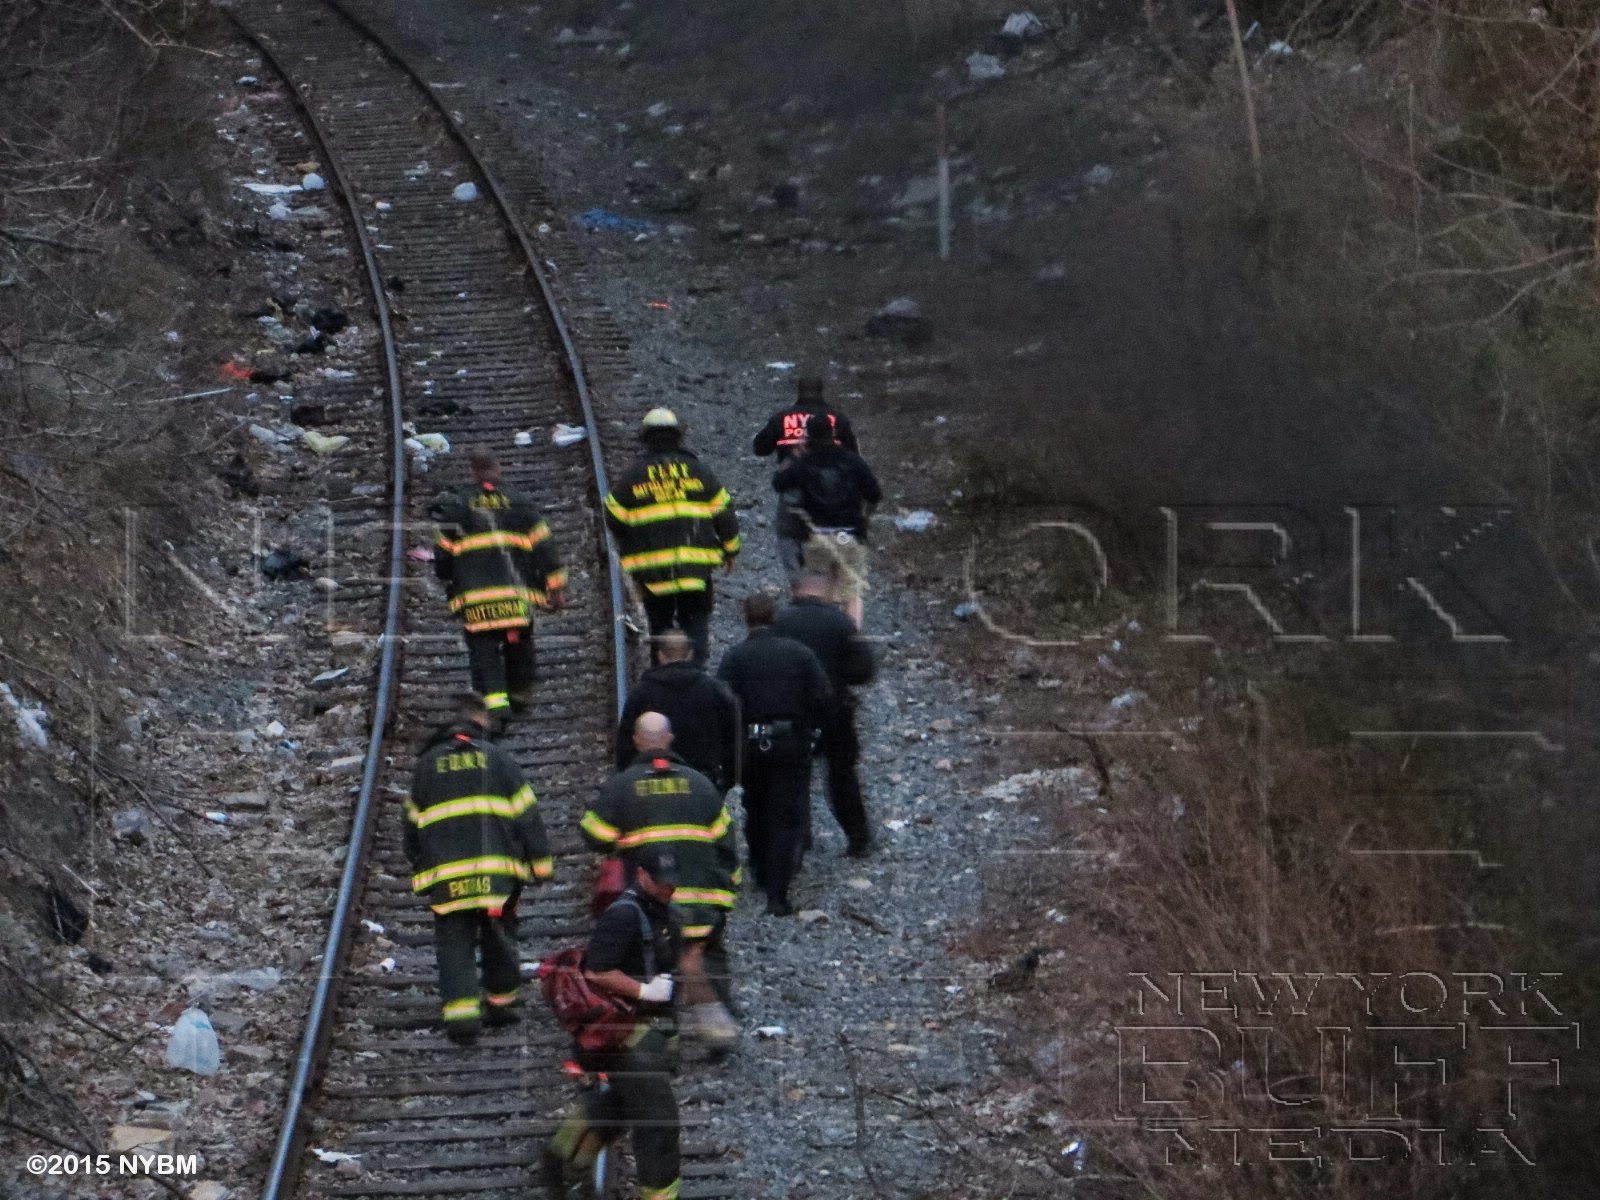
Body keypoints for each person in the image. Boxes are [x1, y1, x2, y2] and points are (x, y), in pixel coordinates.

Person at [403, 692, 554, 1044]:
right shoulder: (499, 760)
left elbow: (411, 826)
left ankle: (462, 1019)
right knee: (499, 938)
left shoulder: (426, 766)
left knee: (453, 942)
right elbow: (528, 817)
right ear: (481, 719)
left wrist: (420, 863)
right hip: (497, 876)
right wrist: (541, 867)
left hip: (447, 877)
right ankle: (501, 1006)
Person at [584, 711, 740, 1049]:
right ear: (669, 739)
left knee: (653, 962)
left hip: (656, 903)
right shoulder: (700, 784)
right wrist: (730, 887)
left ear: (638, 741)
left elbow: (594, 833)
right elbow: (726, 842)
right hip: (704, 901)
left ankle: (663, 1041)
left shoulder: (622, 785)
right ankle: (721, 1031)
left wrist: (624, 841)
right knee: (709, 955)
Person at [542, 847, 684, 1200]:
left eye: (674, 884)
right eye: (664, 884)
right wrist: (645, 991)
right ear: (643, 877)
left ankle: (560, 1157)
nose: (671, 890)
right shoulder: (623, 916)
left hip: (648, 1032)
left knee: (621, 1105)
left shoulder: (662, 911)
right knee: (658, 1121)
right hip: (627, 1035)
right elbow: (598, 970)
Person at [431, 451, 566, 728]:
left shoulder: (457, 506)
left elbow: (442, 556)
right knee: (518, 644)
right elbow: (546, 550)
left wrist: (448, 577)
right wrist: (555, 588)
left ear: (473, 471)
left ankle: (496, 707)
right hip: (516, 598)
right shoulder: (521, 503)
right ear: (498, 468)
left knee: (484, 651)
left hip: (476, 599)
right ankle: (518, 699)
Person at [717, 593, 832, 917]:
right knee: (785, 816)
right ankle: (778, 895)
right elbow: (823, 695)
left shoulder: (736, 657)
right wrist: (810, 730)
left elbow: (723, 701)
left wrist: (730, 745)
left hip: (752, 744)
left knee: (755, 808)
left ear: (746, 619)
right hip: (790, 742)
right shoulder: (799, 654)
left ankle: (760, 870)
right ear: (774, 618)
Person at [604, 408, 739, 667]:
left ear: (645, 438)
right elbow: (725, 514)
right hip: (695, 569)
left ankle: (662, 672)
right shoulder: (698, 470)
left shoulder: (633, 476)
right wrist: (731, 551)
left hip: (652, 572)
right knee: (696, 620)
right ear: (678, 437)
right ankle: (696, 672)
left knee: (659, 623)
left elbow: (613, 518)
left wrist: (633, 541)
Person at [773, 569, 878, 857]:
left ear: (795, 590)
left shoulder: (778, 623)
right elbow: (864, 670)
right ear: (827, 592)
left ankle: (799, 839)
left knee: (794, 777)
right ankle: (858, 839)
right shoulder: (841, 622)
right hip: (835, 712)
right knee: (842, 776)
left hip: (790, 713)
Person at [772, 415, 882, 628]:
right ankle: (851, 640)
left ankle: (823, 638)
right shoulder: (852, 461)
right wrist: (865, 518)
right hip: (850, 534)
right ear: (832, 434)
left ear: (808, 436)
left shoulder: (805, 463)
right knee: (853, 592)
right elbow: (875, 494)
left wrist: (795, 456)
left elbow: (778, 483)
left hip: (817, 536)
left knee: (819, 593)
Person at [751, 375, 858, 574]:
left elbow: (760, 448)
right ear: (822, 390)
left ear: (798, 390)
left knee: (789, 539)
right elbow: (853, 457)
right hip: (829, 492)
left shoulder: (781, 418)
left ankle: (799, 587)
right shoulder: (838, 419)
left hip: (792, 488)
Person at [613, 631, 739, 791]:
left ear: (660, 656)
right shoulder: (713, 690)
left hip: (652, 782)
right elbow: (733, 738)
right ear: (690, 654)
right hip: (704, 781)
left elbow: (625, 744)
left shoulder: (642, 692)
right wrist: (727, 780)